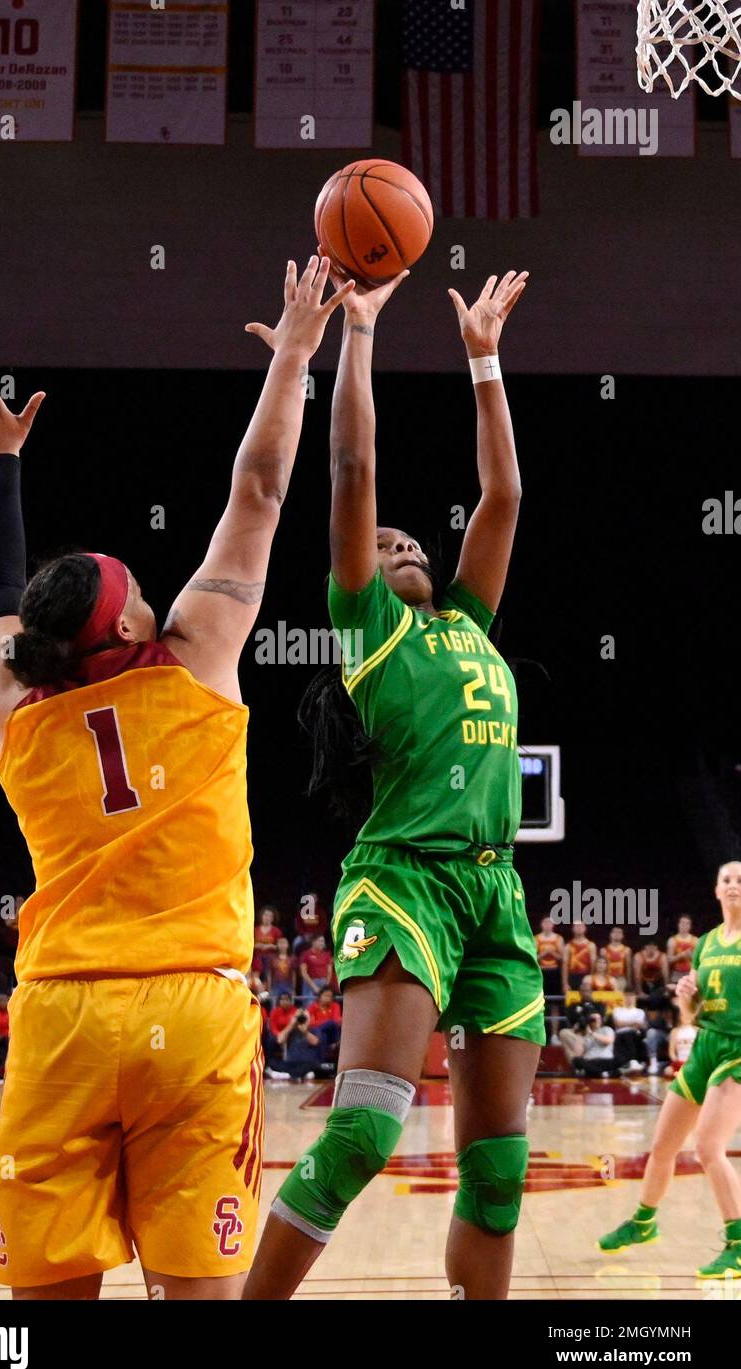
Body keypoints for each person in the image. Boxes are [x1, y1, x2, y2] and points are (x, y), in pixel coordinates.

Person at [0, 256, 353, 1301]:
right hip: (193, 1011)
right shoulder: (200, 656)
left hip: (63, 1016)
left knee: (46, 1303)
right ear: (127, 625)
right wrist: (297, 353)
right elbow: (257, 491)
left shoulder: (15, 703)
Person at [245, 268, 539, 1303]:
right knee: (368, 1126)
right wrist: (358, 335)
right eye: (386, 540)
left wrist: (484, 359)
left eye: (415, 536)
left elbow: (502, 494)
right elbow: (356, 460)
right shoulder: (372, 634)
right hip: (405, 881)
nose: (404, 539)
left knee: (499, 1174)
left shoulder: (469, 620)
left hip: (496, 896)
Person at [599, 862, 741, 1278]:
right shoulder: (708, 942)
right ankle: (644, 1222)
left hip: (738, 1049)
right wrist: (684, 997)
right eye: (728, 880)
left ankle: (737, 1243)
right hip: (705, 1046)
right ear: (716, 890)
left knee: (709, 1148)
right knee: (662, 1147)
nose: (734, 886)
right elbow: (692, 1012)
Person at [609, 992, 648, 1074]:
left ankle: (633, 1061)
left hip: (635, 1035)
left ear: (634, 998)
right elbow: (618, 1024)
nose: (629, 998)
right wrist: (632, 1023)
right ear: (624, 997)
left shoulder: (640, 1011)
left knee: (630, 1034)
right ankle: (629, 1062)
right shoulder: (617, 1010)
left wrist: (625, 1023)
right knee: (626, 1035)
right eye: (627, 996)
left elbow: (639, 1025)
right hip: (620, 1035)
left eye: (631, 996)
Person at [570, 1012, 617, 1078]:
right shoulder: (585, 1035)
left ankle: (593, 1071)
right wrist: (579, 1033)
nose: (596, 1021)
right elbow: (578, 1054)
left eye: (598, 1019)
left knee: (590, 1067)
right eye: (594, 1019)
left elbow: (608, 1041)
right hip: (590, 1061)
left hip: (604, 1060)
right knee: (576, 1060)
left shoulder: (606, 1029)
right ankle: (600, 1072)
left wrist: (592, 1033)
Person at [562, 920, 596, 995]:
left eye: (581, 926)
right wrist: (565, 983)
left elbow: (593, 965)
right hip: (572, 977)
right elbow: (565, 966)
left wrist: (592, 980)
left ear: (585, 928)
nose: (579, 928)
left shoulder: (591, 945)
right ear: (573, 929)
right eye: (576, 926)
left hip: (586, 976)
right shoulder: (568, 946)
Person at [298, 932, 333, 1000]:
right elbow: (304, 973)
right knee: (309, 1005)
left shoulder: (326, 955)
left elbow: (329, 972)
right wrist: (314, 987)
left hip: (323, 982)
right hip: (310, 982)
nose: (322, 943)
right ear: (313, 942)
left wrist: (326, 986)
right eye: (320, 941)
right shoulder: (305, 954)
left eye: (323, 941)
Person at [667, 914, 698, 990]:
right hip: (676, 974)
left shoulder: (695, 940)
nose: (685, 925)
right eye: (682, 923)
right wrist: (681, 955)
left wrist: (691, 956)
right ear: (678, 924)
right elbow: (669, 960)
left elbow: (699, 962)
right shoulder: (672, 940)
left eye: (687, 923)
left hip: (691, 973)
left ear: (690, 926)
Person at [268, 937, 296, 1001]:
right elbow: (269, 974)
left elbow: (294, 974)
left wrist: (293, 988)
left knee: (290, 1004)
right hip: (275, 986)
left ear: (288, 945)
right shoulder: (272, 958)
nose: (282, 945)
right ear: (277, 945)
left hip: (288, 985)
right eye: (280, 943)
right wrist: (269, 988)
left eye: (284, 943)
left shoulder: (292, 959)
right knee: (274, 1006)